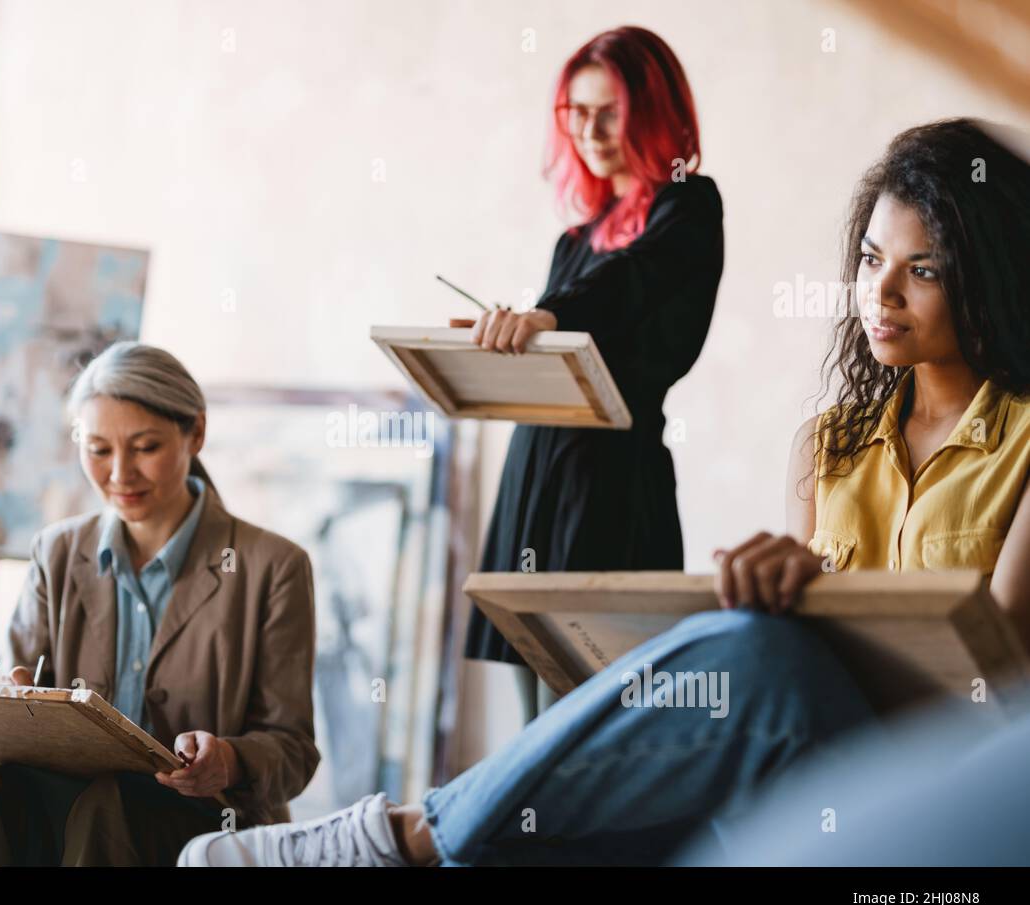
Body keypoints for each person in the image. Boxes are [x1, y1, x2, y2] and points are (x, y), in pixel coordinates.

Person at [178, 118, 1030, 866]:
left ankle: (398, 837)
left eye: (921, 270)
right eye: (871, 260)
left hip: (933, 816)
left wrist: (803, 628)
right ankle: (402, 847)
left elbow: (996, 685)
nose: (878, 295)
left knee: (764, 662)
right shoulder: (829, 447)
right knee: (576, 823)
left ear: (987, 278)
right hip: (797, 788)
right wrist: (785, 586)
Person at [0, 342, 320, 865]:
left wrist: (229, 759)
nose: (120, 473)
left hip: (206, 822)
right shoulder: (57, 553)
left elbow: (294, 750)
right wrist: (11, 701)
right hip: (72, 801)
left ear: (196, 434)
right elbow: (10, 685)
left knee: (109, 803)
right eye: (98, 449)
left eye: (144, 447)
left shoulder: (273, 567)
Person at [462, 26, 725, 708]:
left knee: (585, 717)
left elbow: (634, 278)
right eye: (576, 111)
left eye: (609, 110)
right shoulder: (572, 242)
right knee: (529, 714)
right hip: (536, 473)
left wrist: (546, 315)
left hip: (610, 484)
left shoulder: (690, 207)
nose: (589, 128)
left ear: (652, 111)